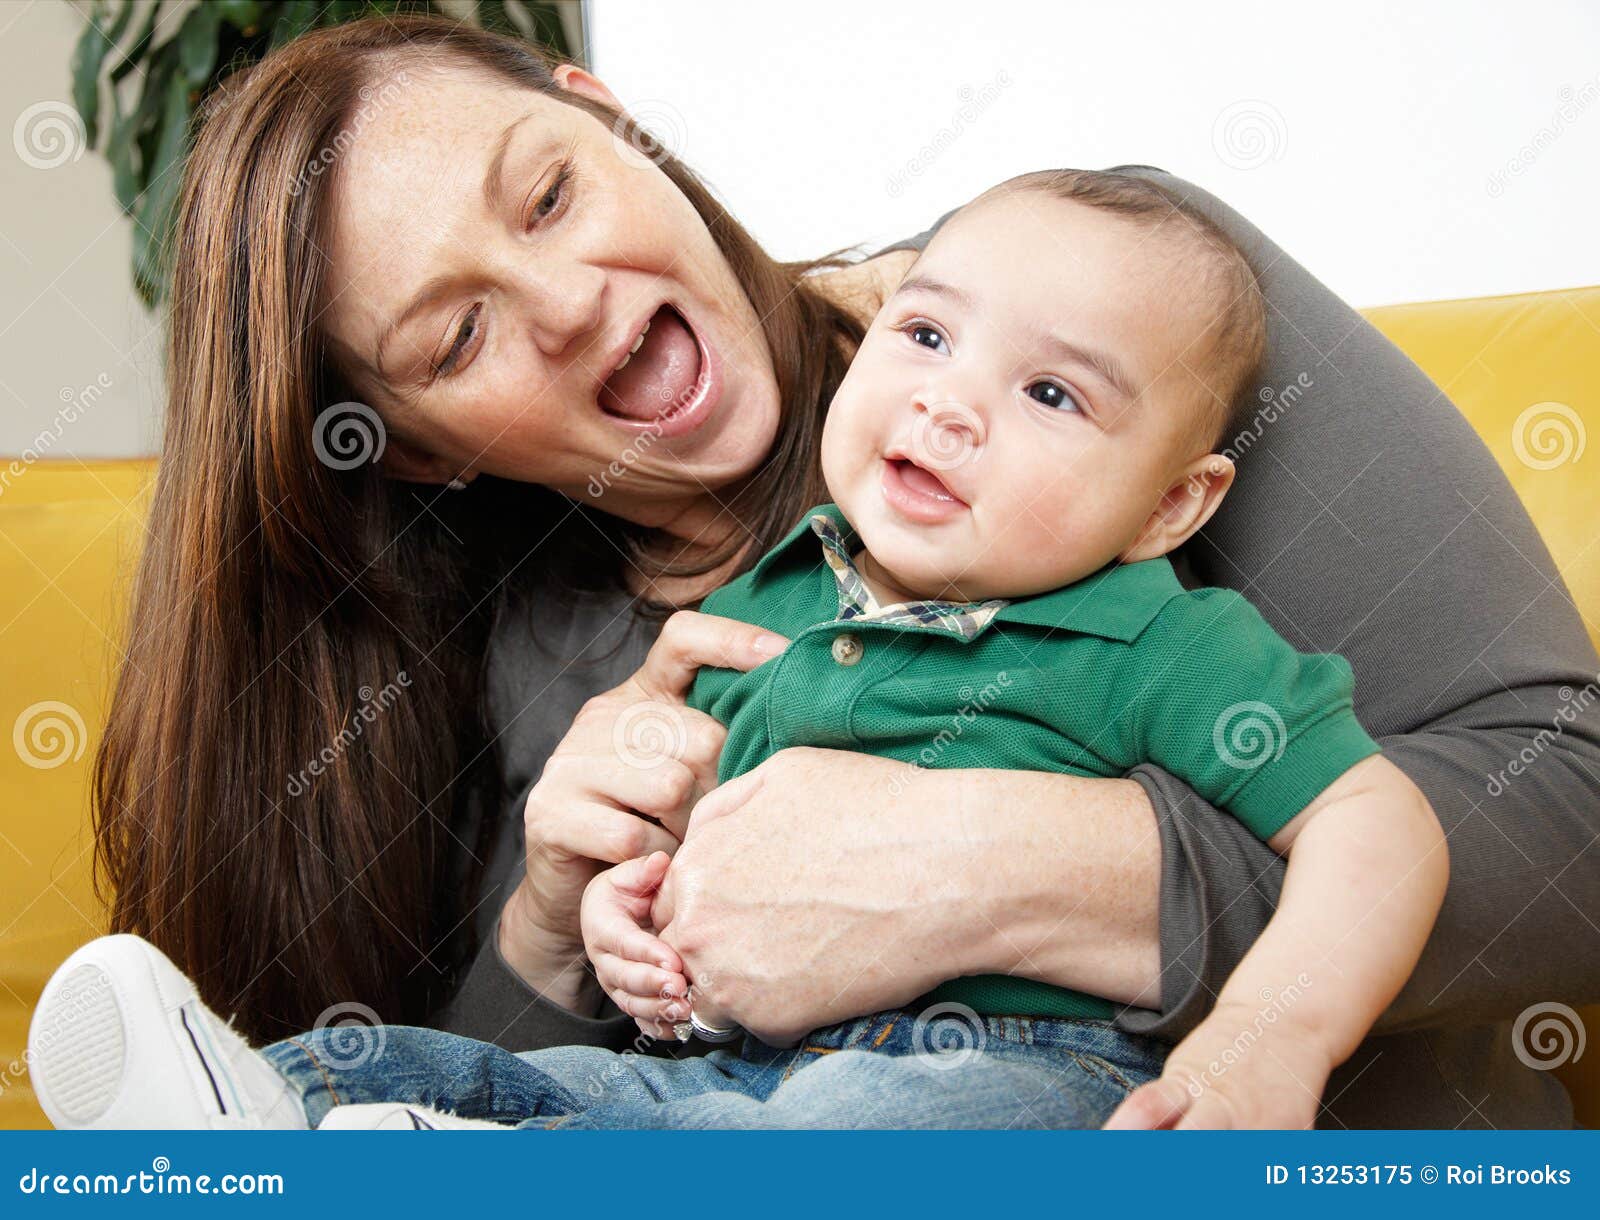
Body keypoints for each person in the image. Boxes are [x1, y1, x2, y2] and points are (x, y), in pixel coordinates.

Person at [63, 16, 1598, 1130]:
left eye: (548, 195)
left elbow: (1572, 815)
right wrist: (548, 927)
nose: (572, 302)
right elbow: (532, 1081)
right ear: (412, 449)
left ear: (617, 124)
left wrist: (1005, 870)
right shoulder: (497, 662)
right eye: (455, 340)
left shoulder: (1100, 315)